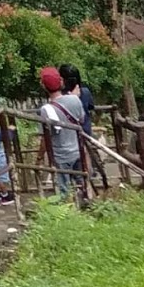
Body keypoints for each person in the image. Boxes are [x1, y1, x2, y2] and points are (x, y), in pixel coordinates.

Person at [60, 63, 109, 191]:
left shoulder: (61, 98)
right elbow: (91, 107)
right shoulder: (85, 92)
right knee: (86, 157)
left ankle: (75, 188)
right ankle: (87, 186)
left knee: (73, 161)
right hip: (85, 131)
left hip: (68, 134)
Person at [40, 68, 84, 199]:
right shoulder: (75, 99)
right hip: (77, 151)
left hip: (60, 156)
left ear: (43, 86)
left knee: (64, 190)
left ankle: (68, 212)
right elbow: (81, 120)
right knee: (82, 184)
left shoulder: (46, 109)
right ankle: (85, 206)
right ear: (61, 82)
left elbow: (45, 138)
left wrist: (39, 158)